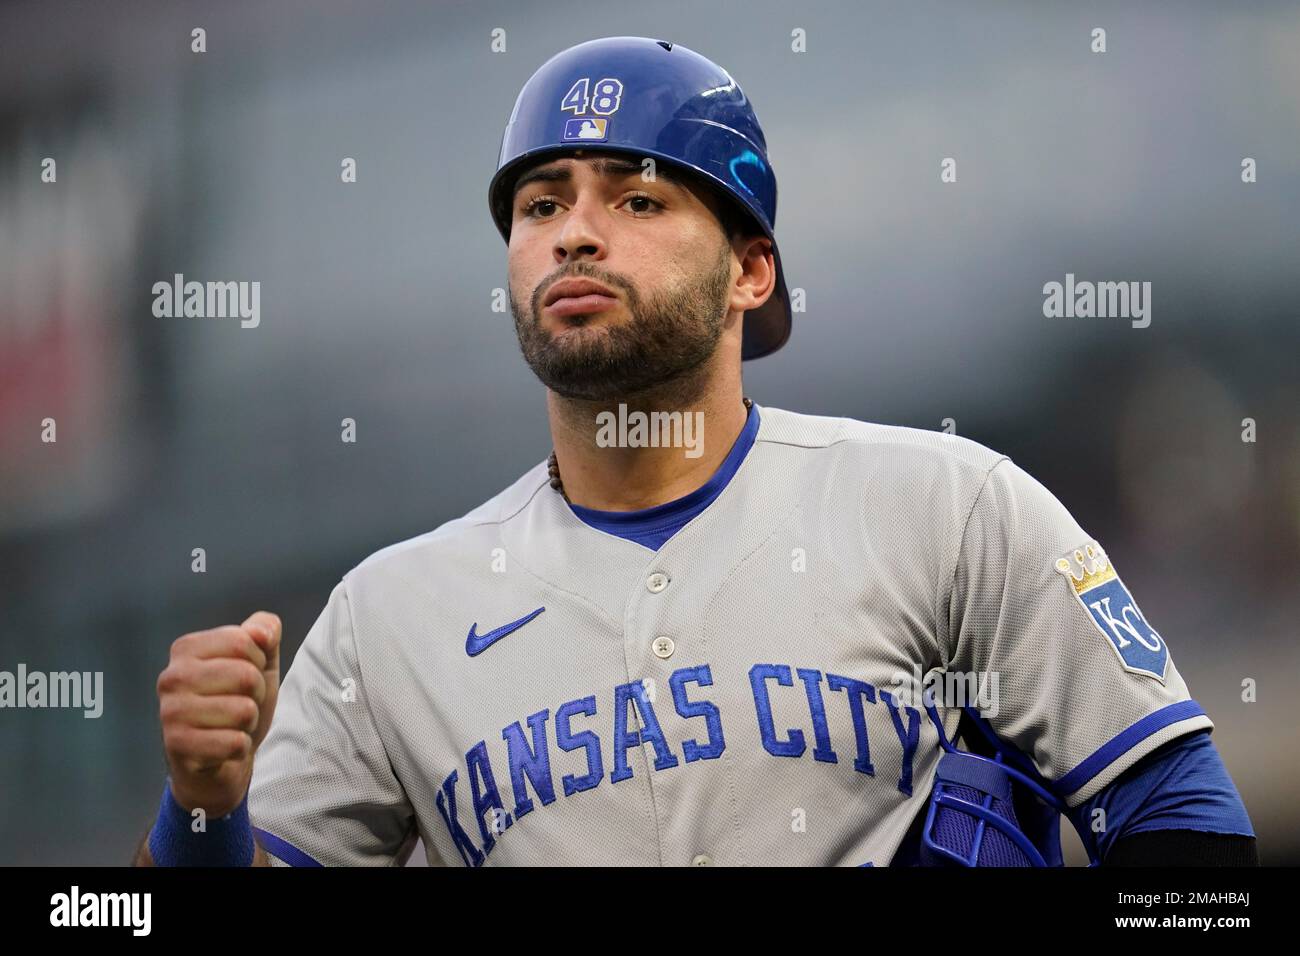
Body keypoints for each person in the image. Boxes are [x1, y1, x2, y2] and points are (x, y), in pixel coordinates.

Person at [135, 36, 1256, 867]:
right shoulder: (391, 617)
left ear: (751, 270)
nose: (573, 229)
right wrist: (198, 808)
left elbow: (1187, 829)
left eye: (636, 196)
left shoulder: (948, 507)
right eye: (539, 203)